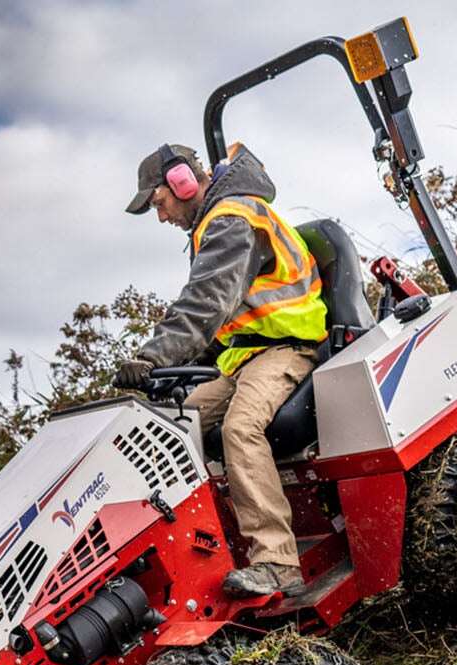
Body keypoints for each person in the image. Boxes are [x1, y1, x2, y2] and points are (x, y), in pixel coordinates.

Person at [115, 142, 328, 598]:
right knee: (171, 431)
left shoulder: (233, 219)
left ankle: (276, 561)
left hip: (286, 347)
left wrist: (154, 356)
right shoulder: (217, 223)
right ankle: (206, 552)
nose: (162, 216)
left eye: (159, 203)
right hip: (243, 359)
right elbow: (219, 323)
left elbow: (207, 302)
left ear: (182, 183)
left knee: (240, 429)